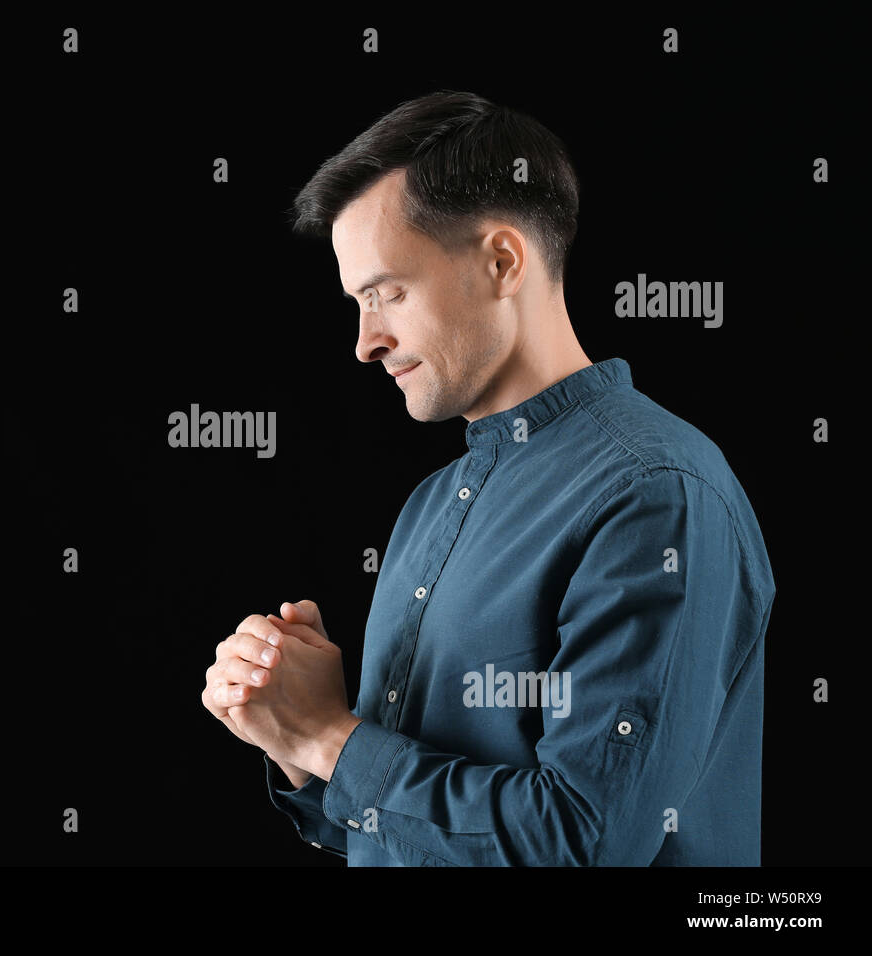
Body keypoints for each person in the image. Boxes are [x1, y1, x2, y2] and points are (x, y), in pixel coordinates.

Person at [201, 90, 775, 865]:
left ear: (502, 261)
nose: (365, 343)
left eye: (387, 294)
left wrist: (331, 739)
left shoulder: (654, 492)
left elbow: (587, 841)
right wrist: (295, 737)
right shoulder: (430, 506)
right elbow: (408, 837)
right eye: (357, 304)